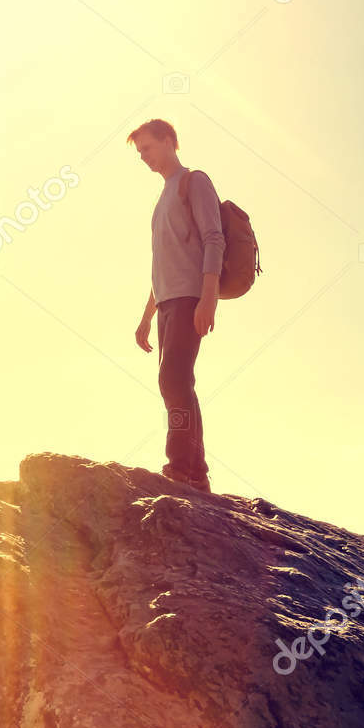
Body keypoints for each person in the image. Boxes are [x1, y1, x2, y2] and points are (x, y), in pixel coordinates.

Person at [129, 119, 223, 493]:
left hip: (190, 298)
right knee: (180, 382)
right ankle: (196, 472)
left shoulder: (193, 181)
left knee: (173, 380)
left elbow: (214, 238)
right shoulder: (162, 198)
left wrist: (208, 297)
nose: (143, 157)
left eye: (148, 148)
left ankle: (181, 467)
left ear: (169, 141)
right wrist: (146, 318)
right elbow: (161, 264)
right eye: (140, 152)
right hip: (167, 303)